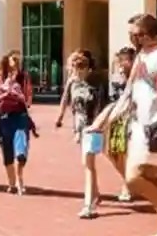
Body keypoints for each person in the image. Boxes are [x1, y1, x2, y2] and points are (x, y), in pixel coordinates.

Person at [88, 13, 157, 236]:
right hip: (139, 129)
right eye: (131, 34)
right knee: (152, 185)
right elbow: (127, 94)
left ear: (148, 34)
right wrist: (103, 120)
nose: (132, 39)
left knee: (135, 180)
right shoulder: (141, 57)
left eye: (136, 34)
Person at [55, 50, 108, 219]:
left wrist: (100, 126)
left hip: (94, 127)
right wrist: (60, 118)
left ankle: (89, 205)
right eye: (73, 69)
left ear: (87, 69)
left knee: (88, 164)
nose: (76, 72)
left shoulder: (97, 84)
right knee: (87, 164)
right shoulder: (72, 83)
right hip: (80, 128)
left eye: (79, 69)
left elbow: (103, 107)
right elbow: (66, 100)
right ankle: (96, 193)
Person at [0, 50, 35, 194]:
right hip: (3, 120)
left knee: (21, 152)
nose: (15, 68)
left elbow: (28, 101)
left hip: (19, 117)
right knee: (7, 153)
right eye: (13, 64)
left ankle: (19, 181)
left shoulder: (23, 79)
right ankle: (12, 183)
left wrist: (17, 93)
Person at [106, 46, 136, 202]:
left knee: (128, 153)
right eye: (120, 61)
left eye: (125, 60)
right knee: (113, 152)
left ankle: (127, 185)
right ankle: (127, 179)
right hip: (117, 118)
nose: (121, 64)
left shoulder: (138, 77)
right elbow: (112, 98)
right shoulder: (116, 77)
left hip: (134, 119)